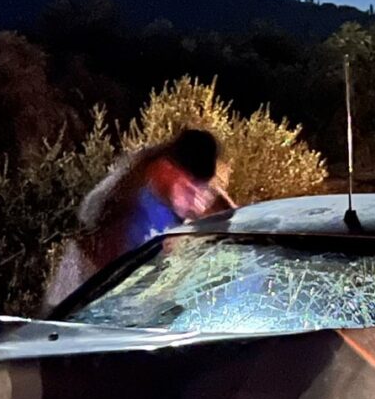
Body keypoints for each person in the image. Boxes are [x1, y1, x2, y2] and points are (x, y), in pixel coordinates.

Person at [42, 128, 234, 310]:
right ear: (165, 170)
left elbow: (221, 207)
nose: (196, 203)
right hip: (78, 294)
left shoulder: (180, 182)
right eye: (189, 190)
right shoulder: (120, 199)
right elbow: (107, 277)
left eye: (201, 191)